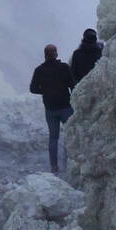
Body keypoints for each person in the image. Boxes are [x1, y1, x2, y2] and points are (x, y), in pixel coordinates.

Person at [29, 44, 76, 174]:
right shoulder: (64, 68)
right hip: (65, 106)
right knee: (70, 134)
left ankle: (54, 166)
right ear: (56, 54)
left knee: (53, 137)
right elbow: (73, 85)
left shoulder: (39, 70)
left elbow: (32, 89)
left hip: (50, 108)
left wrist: (44, 91)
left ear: (45, 55)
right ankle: (70, 162)